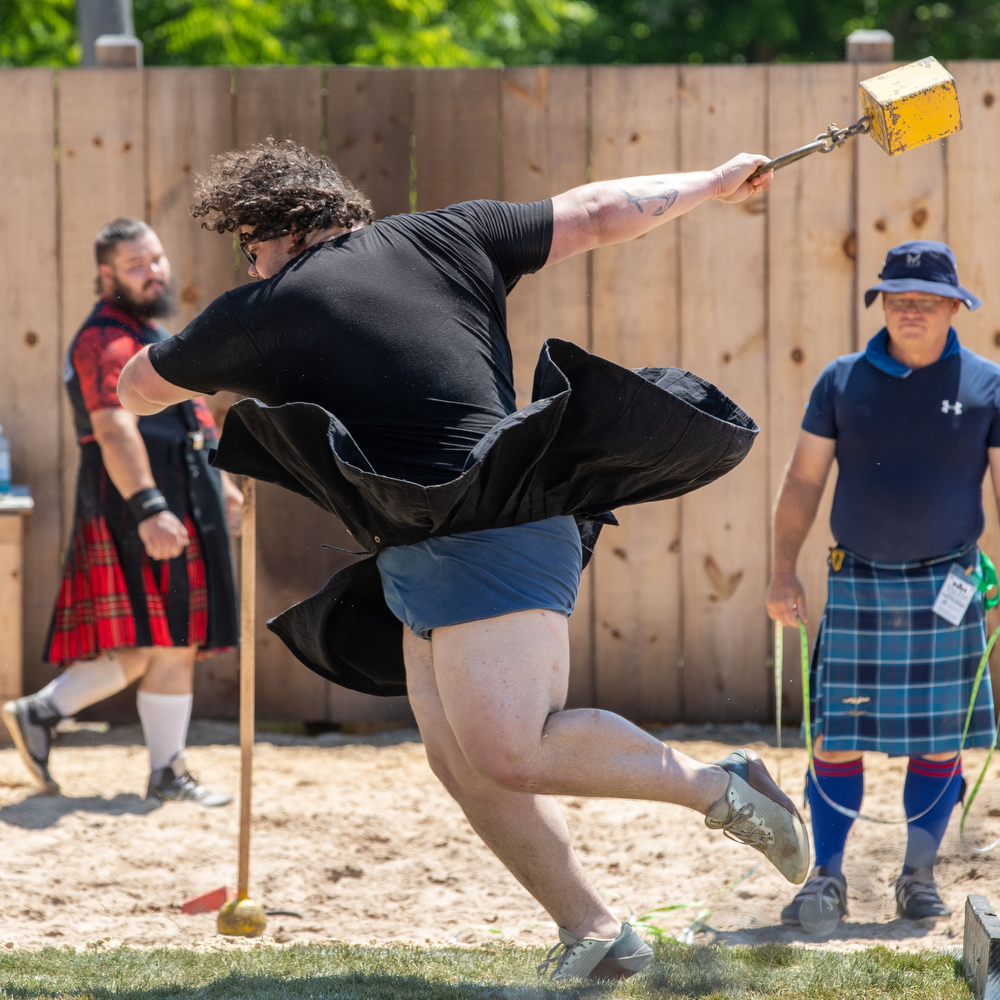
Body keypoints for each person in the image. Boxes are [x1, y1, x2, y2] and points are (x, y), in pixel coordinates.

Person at [117, 139, 808, 980]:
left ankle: (722, 784)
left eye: (248, 246)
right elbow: (595, 212)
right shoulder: (449, 234)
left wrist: (227, 354)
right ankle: (594, 934)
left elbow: (138, 388)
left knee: (514, 750)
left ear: (269, 231)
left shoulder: (261, 304)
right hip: (426, 541)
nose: (252, 261)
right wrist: (709, 183)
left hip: (491, 525)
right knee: (463, 761)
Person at [767, 240, 999, 928]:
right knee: (835, 738)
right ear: (881, 303)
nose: (910, 312)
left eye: (926, 301)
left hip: (948, 587)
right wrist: (782, 570)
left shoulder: (989, 385)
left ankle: (917, 878)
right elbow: (804, 479)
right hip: (858, 581)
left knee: (938, 743)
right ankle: (827, 878)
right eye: (897, 299)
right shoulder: (840, 380)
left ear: (956, 306)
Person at [2, 218, 241, 808]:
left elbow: (196, 416)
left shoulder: (151, 333)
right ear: (105, 273)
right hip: (140, 504)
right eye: (137, 265)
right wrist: (150, 507)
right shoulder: (103, 340)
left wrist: (225, 484)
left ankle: (47, 716)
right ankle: (157, 768)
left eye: (155, 259)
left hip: (182, 499)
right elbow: (113, 429)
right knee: (164, 640)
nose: (153, 271)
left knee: (161, 641)